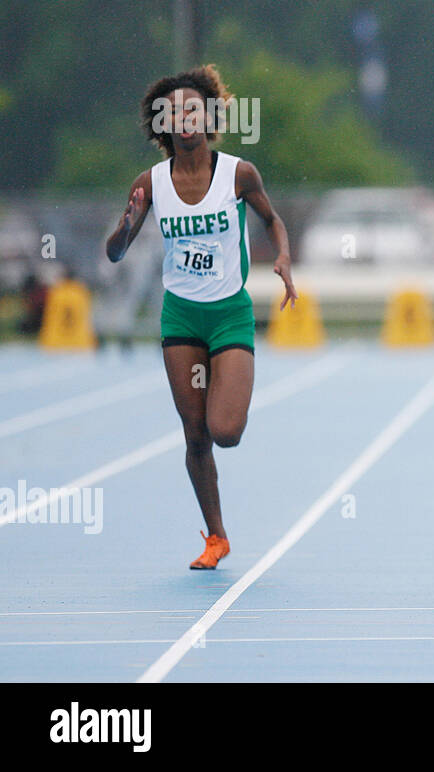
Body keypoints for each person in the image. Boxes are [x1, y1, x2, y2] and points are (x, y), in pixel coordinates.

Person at [105, 65, 297, 570]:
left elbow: (272, 219)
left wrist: (282, 256)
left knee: (226, 430)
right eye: (173, 111)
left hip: (229, 313)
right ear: (161, 124)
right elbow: (114, 254)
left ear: (208, 115)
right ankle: (216, 536)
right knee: (195, 435)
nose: (183, 117)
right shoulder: (149, 184)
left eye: (192, 108)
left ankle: (224, 386)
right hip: (181, 318)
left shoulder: (238, 174)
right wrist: (125, 228)